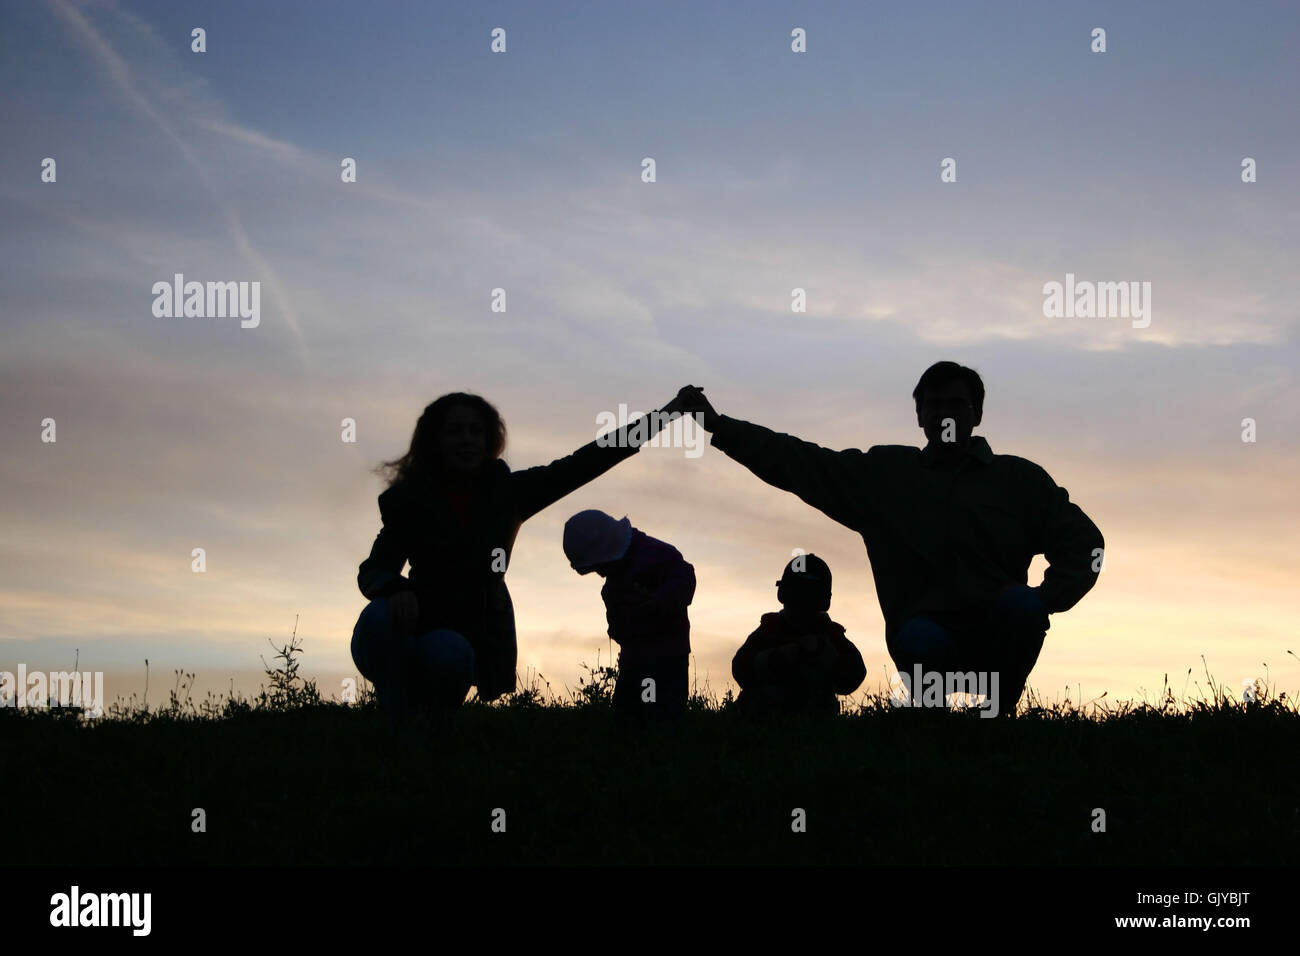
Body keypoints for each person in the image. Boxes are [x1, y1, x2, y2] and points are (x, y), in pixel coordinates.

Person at [672, 362, 1104, 717]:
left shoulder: (1019, 480)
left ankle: (994, 714)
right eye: (932, 405)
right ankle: (930, 722)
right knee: (922, 640)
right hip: (924, 637)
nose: (944, 414)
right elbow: (801, 462)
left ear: (977, 413)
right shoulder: (886, 476)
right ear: (918, 416)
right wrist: (720, 427)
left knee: (1022, 607)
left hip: (997, 637)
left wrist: (1046, 600)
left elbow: (1086, 545)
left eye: (956, 403)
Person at [352, 392, 686, 744]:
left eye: (474, 431)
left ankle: (437, 723)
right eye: (454, 431)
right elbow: (375, 568)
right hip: (413, 622)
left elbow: (586, 461)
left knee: (450, 655)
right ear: (434, 440)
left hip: (463, 635)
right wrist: (395, 589)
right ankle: (400, 726)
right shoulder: (408, 500)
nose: (466, 439)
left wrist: (664, 416)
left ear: (488, 441)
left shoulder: (509, 493)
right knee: (377, 619)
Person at [562, 510, 695, 731]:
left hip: (665, 660)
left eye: (599, 568)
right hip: (634, 661)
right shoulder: (614, 584)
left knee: (660, 720)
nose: (600, 574)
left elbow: (684, 581)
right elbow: (617, 628)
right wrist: (624, 622)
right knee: (628, 721)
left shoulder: (659, 556)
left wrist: (655, 604)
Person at [732, 554, 865, 717]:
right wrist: (776, 658)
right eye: (797, 600)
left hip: (814, 724)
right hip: (765, 722)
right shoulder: (770, 629)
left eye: (808, 602)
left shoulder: (829, 635)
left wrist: (824, 653)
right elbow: (740, 668)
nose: (801, 611)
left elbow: (854, 676)